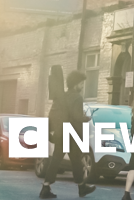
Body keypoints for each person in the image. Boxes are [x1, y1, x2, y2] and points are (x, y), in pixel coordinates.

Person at [40, 70, 96, 199]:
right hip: (72, 133)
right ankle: (81, 188)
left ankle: (46, 187)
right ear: (76, 83)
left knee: (58, 160)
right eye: (81, 83)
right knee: (75, 161)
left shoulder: (63, 96)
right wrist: (85, 118)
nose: (82, 86)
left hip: (61, 132)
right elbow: (76, 116)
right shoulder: (77, 97)